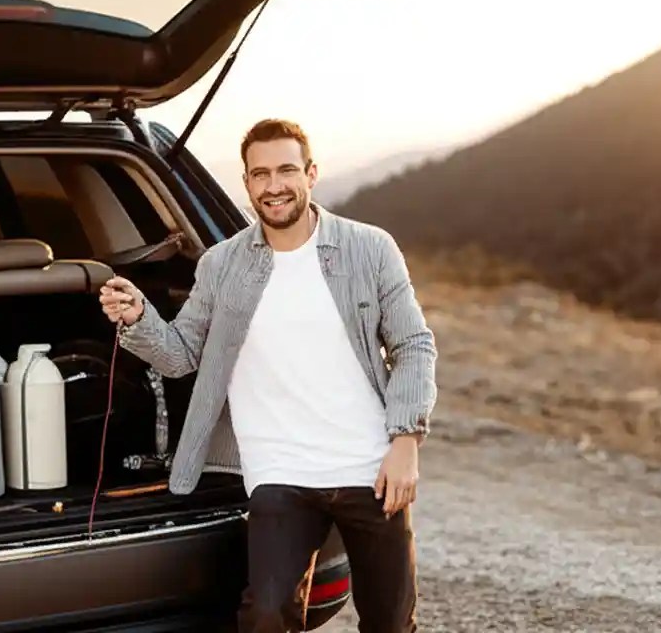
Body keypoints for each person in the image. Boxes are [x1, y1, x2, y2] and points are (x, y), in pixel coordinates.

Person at [99, 118, 437, 633]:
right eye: (260, 174)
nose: (273, 186)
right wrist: (139, 318)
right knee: (265, 614)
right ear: (247, 183)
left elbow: (414, 344)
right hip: (280, 473)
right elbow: (181, 354)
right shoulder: (221, 265)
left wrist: (405, 440)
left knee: (390, 621)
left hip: (369, 467)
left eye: (285, 170)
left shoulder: (371, 249)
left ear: (311, 174)